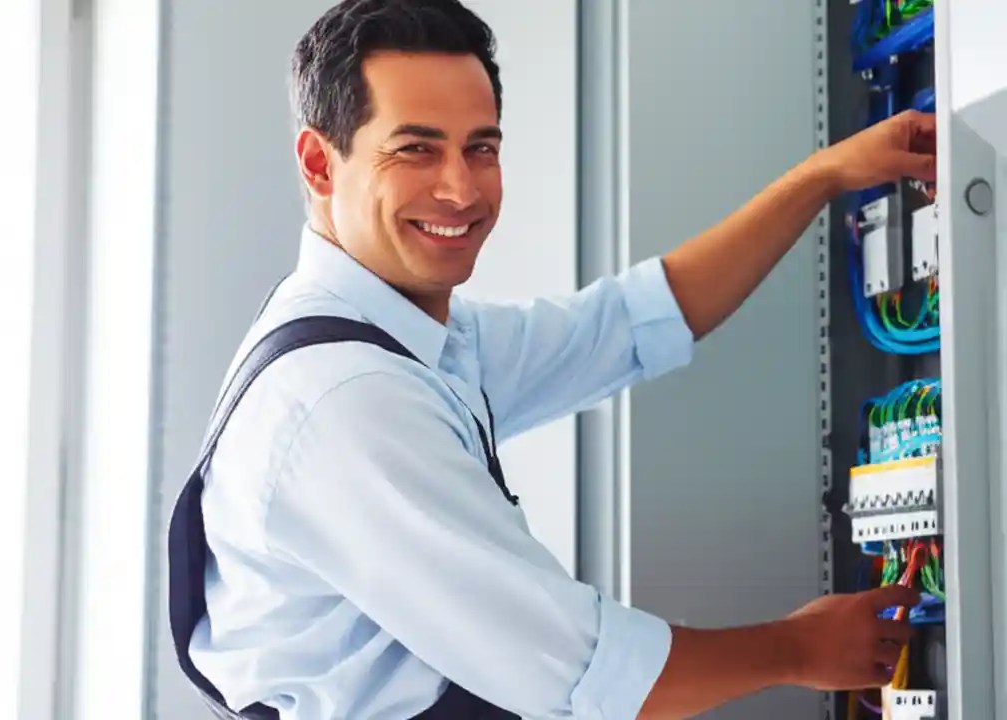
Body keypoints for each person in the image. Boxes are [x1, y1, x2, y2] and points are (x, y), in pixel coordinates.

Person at [167, 0, 935, 717]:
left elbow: (630, 322)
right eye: (416, 150)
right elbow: (583, 673)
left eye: (481, 148)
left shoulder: (403, 335)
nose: (460, 189)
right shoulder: (344, 399)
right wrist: (800, 648)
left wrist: (825, 174)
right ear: (319, 163)